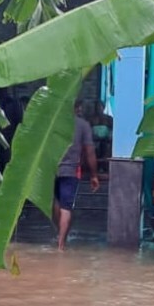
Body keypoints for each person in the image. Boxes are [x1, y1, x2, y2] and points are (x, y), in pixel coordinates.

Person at [54, 101, 99, 250]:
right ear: (75, 108)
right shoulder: (83, 125)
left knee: (56, 203)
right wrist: (94, 175)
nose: (80, 110)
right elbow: (89, 152)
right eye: (79, 107)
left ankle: (59, 234)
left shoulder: (54, 123)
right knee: (66, 208)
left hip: (52, 170)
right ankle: (61, 245)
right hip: (71, 171)